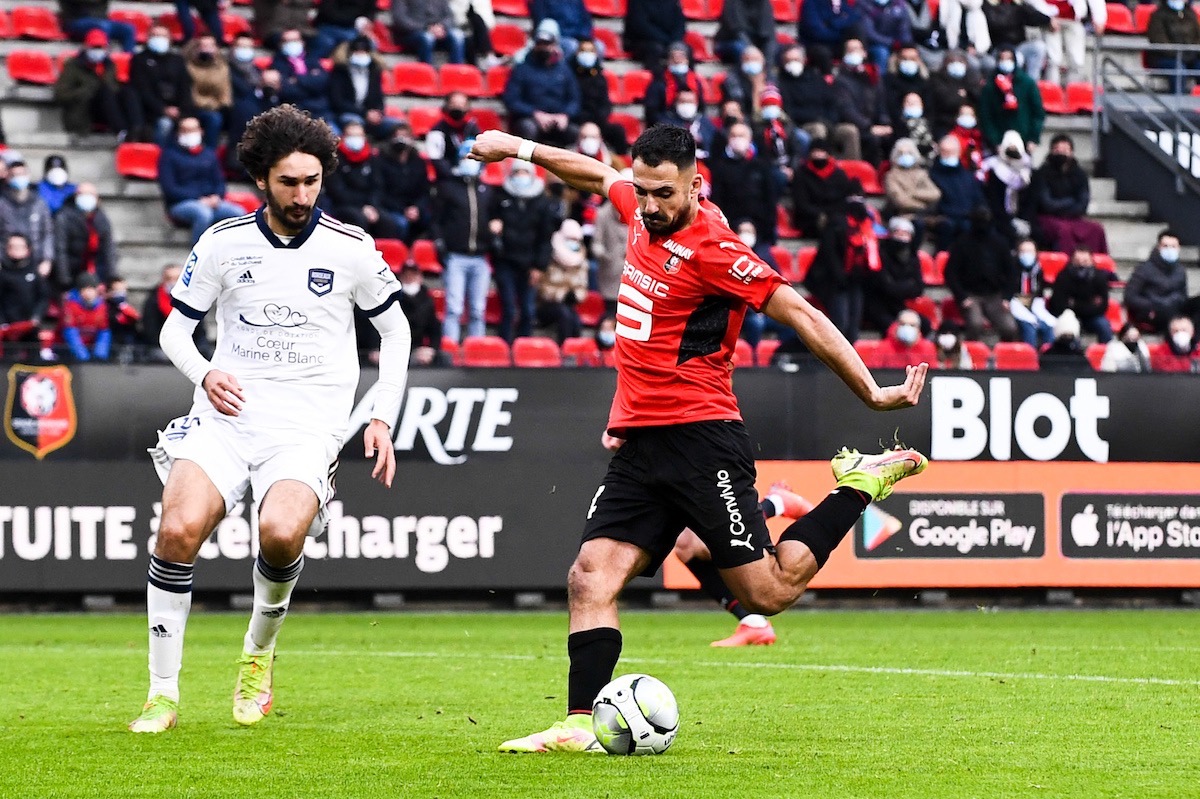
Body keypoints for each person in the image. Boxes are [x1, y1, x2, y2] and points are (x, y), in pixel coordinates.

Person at [467, 124, 928, 754]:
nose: (649, 204)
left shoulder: (716, 248)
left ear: (694, 183)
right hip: (640, 445)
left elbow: (803, 315)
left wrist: (872, 393)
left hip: (703, 438)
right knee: (589, 577)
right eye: (644, 191)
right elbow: (596, 175)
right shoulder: (637, 203)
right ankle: (578, 725)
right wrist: (517, 149)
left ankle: (857, 486)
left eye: (663, 193)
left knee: (765, 591)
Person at [127, 104, 412, 734]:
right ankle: (161, 694)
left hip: (306, 428)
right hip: (227, 418)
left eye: (312, 181)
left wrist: (382, 416)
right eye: (290, 181)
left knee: (280, 533)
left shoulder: (352, 249)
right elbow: (175, 330)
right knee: (177, 529)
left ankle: (258, 655)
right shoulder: (224, 243)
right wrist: (204, 372)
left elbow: (396, 331)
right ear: (263, 179)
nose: (303, 194)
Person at [672, 482, 816, 647]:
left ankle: (775, 503)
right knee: (687, 544)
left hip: (697, 463)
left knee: (705, 540)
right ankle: (753, 623)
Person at [431, 141, 500, 343]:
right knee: (454, 308)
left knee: (478, 309)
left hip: (480, 257)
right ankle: (450, 349)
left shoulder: (488, 191)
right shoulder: (447, 188)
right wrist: (439, 242)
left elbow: (494, 217)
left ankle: (476, 349)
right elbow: (437, 220)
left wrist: (494, 234)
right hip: (456, 256)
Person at [493, 160, 559, 342]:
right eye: (517, 172)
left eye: (524, 172)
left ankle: (524, 346)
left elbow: (545, 237)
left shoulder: (542, 202)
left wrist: (539, 266)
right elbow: (489, 220)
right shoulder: (500, 196)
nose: (521, 176)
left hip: (530, 264)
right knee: (508, 308)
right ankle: (504, 347)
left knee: (528, 310)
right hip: (505, 260)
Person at [804, 193, 882, 342]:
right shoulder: (837, 224)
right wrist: (840, 276)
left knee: (853, 326)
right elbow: (828, 253)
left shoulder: (867, 228)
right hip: (835, 282)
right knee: (841, 324)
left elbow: (872, 258)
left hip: (856, 282)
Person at [158, 117, 246, 245]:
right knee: (203, 213)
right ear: (178, 133)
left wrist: (216, 197)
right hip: (181, 203)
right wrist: (199, 199)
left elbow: (219, 182)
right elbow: (169, 188)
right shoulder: (168, 156)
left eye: (193, 130)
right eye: (185, 130)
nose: (190, 134)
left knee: (238, 213)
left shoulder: (209, 154)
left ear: (201, 131)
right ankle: (198, 256)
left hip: (211, 201)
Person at [944, 206, 1021, 341]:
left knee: (1009, 327)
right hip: (970, 294)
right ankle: (972, 358)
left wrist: (1007, 297)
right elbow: (950, 273)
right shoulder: (962, 243)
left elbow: (1011, 273)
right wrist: (962, 297)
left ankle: (1005, 358)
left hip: (995, 295)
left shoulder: (1000, 243)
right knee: (975, 324)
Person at [52, 29, 142, 139]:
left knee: (128, 92)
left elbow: (114, 89)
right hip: (84, 110)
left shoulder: (109, 65)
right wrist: (86, 90)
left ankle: (137, 129)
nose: (98, 51)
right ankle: (121, 131)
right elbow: (60, 95)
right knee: (104, 92)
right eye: (95, 47)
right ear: (86, 47)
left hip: (106, 109)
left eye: (101, 47)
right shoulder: (73, 66)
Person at [322, 123, 405, 240]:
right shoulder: (336, 160)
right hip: (344, 205)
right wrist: (362, 207)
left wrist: (371, 205)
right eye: (351, 135)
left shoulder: (372, 158)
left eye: (358, 135)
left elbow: (377, 186)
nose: (355, 139)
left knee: (389, 223)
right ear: (343, 137)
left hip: (369, 205)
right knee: (358, 221)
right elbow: (337, 191)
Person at [503, 28, 581, 147]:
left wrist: (565, 115)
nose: (544, 48)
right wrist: (535, 114)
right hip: (531, 118)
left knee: (576, 132)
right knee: (528, 128)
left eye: (547, 44)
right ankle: (525, 164)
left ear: (554, 46)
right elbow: (511, 100)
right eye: (540, 44)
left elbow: (574, 99)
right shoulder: (522, 69)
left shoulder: (564, 70)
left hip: (558, 119)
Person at [779, 45, 860, 160]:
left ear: (803, 60)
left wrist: (830, 120)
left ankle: (852, 168)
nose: (792, 63)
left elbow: (831, 102)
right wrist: (815, 117)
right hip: (803, 125)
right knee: (818, 129)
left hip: (827, 122)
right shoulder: (782, 83)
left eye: (796, 60)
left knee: (850, 131)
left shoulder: (815, 77)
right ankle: (821, 167)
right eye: (788, 61)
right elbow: (789, 111)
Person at [1031, 134, 1108, 254]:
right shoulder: (1042, 174)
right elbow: (1047, 204)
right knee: (1063, 231)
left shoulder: (1079, 174)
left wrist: (1069, 209)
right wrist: (1070, 201)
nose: (1062, 154)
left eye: (1065, 150)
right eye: (1058, 150)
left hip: (1073, 217)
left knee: (1096, 229)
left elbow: (1082, 203)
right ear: (1051, 152)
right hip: (1047, 218)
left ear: (1072, 153)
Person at [709, 122, 779, 247]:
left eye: (741, 136)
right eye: (733, 136)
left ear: (749, 139)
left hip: (760, 231)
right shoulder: (720, 168)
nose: (737, 140)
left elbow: (769, 201)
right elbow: (717, 202)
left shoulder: (762, 166)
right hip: (729, 231)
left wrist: (756, 226)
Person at [130, 24, 195, 146]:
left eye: (163, 36)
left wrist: (183, 111)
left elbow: (185, 87)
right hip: (152, 110)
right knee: (165, 123)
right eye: (155, 35)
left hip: (178, 108)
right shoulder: (139, 59)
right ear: (148, 38)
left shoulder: (178, 60)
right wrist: (163, 109)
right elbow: (142, 90)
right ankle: (160, 155)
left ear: (170, 39)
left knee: (206, 119)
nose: (159, 39)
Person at [833, 39, 894, 165]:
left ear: (864, 53)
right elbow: (846, 110)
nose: (854, 53)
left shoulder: (873, 77)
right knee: (872, 140)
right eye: (850, 50)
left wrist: (885, 123)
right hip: (857, 126)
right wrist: (869, 127)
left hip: (875, 125)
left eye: (857, 49)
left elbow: (881, 104)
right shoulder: (840, 80)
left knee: (895, 136)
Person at [864, 216, 926, 333]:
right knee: (892, 327)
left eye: (905, 234)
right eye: (898, 233)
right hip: (876, 305)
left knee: (924, 325)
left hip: (898, 305)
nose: (902, 238)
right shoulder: (880, 254)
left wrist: (896, 285)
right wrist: (907, 285)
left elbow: (918, 287)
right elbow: (885, 286)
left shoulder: (912, 258)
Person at [227, 33, 281, 168]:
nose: (245, 50)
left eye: (248, 47)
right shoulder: (227, 69)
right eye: (241, 46)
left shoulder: (256, 70)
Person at [978, 44, 1045, 150]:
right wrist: (995, 141)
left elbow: (1038, 113)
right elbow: (986, 115)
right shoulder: (990, 86)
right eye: (1002, 59)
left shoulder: (1027, 83)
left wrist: (1033, 138)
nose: (1005, 62)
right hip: (998, 143)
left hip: (1024, 141)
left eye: (1009, 59)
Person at [141, 264, 212, 362]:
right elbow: (150, 328)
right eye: (169, 278)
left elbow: (200, 328)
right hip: (162, 345)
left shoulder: (192, 297)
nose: (173, 282)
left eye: (177, 278)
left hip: (189, 343)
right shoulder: (154, 299)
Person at [53, 182, 116, 291]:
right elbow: (60, 250)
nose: (86, 198)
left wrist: (110, 278)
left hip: (95, 272)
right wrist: (64, 280)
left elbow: (108, 249)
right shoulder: (63, 217)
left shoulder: (101, 219)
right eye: (82, 194)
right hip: (72, 273)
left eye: (90, 194)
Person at [0, 161, 55, 283]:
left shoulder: (39, 203)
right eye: (14, 175)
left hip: (36, 263)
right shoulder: (2, 204)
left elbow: (48, 233)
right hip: (7, 265)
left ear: (28, 175)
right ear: (8, 178)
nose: (19, 177)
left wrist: (47, 260)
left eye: (22, 174)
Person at [377, 122, 433, 243]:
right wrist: (403, 210)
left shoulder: (418, 162)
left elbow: (424, 191)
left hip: (414, 207)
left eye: (405, 136)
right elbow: (380, 192)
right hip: (392, 208)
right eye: (398, 136)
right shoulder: (382, 161)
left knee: (433, 221)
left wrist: (417, 208)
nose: (401, 140)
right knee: (400, 224)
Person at [327, 37, 391, 141]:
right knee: (356, 123)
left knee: (397, 127)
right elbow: (337, 101)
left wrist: (378, 113)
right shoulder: (340, 72)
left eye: (363, 51)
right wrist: (365, 113)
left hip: (371, 116)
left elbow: (379, 98)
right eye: (357, 51)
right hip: (346, 114)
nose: (361, 54)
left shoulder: (374, 72)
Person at [271, 29, 337, 131]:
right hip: (295, 113)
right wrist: (310, 80)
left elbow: (323, 82)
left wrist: (296, 79)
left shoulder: (312, 59)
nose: (292, 44)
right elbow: (285, 90)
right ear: (281, 44)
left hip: (321, 112)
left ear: (302, 42)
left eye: (295, 40)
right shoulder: (277, 63)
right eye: (287, 41)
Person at [1124, 231, 1188, 334]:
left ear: (1178, 248)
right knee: (1170, 313)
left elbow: (1183, 295)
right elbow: (1130, 296)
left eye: (1173, 246)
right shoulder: (1144, 269)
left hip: (1174, 307)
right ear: (1158, 247)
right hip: (1151, 311)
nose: (1170, 249)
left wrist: (1175, 300)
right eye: (1165, 246)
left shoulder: (1180, 270)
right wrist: (1152, 305)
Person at [536, 219, 589, 343]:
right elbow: (542, 289)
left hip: (568, 306)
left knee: (575, 319)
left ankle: (574, 352)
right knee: (563, 313)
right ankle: (563, 351)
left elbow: (582, 288)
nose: (573, 242)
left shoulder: (581, 261)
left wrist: (575, 296)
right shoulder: (549, 257)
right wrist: (562, 294)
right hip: (545, 306)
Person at [928, 135, 985, 250]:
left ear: (959, 152)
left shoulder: (968, 177)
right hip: (944, 219)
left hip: (967, 218)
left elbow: (979, 201)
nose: (948, 155)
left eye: (952, 152)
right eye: (945, 151)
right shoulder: (931, 175)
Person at [572, 40, 628, 156]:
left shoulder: (600, 77)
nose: (587, 54)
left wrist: (597, 123)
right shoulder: (569, 76)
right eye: (583, 51)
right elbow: (570, 102)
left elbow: (605, 103)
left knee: (618, 131)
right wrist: (586, 124)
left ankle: (622, 165)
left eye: (590, 51)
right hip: (576, 121)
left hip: (598, 121)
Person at [791, 140, 857, 237]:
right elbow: (801, 204)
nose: (818, 155)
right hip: (810, 219)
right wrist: (820, 214)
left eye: (821, 152)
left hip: (835, 216)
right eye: (815, 152)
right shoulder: (801, 174)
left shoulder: (839, 174)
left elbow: (844, 200)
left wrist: (830, 214)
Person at [1047, 247, 1114, 342]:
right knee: (1069, 326)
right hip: (1069, 315)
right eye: (1078, 261)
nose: (1081, 264)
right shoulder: (1063, 276)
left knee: (1104, 325)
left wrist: (1075, 304)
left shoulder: (1099, 278)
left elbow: (1102, 306)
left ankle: (1107, 353)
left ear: (1091, 261)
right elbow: (1058, 304)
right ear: (1072, 261)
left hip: (1092, 317)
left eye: (1085, 261)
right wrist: (1089, 305)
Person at [884, 138, 940, 245]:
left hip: (924, 215)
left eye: (908, 153)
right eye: (901, 153)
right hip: (902, 215)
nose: (905, 156)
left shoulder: (921, 174)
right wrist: (924, 203)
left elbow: (935, 194)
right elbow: (901, 202)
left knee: (946, 224)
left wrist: (912, 193)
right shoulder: (891, 176)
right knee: (918, 224)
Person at [981, 129, 1033, 243]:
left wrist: (1023, 219)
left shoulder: (1028, 171)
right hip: (999, 216)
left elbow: (1031, 200)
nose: (1012, 151)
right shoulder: (993, 169)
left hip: (1022, 216)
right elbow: (993, 199)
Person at [983, 0, 1053, 82]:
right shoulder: (989, 5)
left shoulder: (1017, 5)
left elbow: (1033, 16)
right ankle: (1012, 85)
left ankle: (1031, 83)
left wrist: (1049, 20)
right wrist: (1018, 11)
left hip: (1018, 45)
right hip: (998, 48)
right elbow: (998, 24)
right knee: (1017, 58)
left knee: (1039, 47)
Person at [183, 34, 232, 148]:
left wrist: (222, 104)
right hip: (194, 107)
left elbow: (225, 91)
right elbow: (189, 92)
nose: (207, 49)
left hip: (216, 106)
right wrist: (207, 104)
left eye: (210, 46)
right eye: (203, 46)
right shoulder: (187, 67)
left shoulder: (222, 67)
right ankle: (210, 153)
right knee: (213, 119)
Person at [643, 42, 706, 128]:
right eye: (673, 57)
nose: (677, 60)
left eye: (681, 57)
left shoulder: (696, 81)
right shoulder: (659, 82)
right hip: (666, 124)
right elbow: (652, 112)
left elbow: (701, 108)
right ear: (668, 60)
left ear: (687, 59)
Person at [1043, 0, 1106, 85]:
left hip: (1074, 19)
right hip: (1049, 18)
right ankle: (1051, 92)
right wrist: (1046, 18)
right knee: (1053, 61)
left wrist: (1099, 19)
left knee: (1077, 61)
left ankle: (1074, 92)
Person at [1009, 237, 1057, 348]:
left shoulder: (1038, 270)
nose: (1027, 255)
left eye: (1030, 251)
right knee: (1030, 327)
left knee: (1049, 326)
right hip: (1015, 304)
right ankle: (1030, 360)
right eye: (1023, 251)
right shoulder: (1012, 270)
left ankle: (1049, 357)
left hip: (1034, 305)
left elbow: (1039, 293)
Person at [0, 234, 51, 337]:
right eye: (12, 247)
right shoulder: (3, 273)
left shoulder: (35, 271)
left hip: (31, 326)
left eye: (19, 246)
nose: (15, 250)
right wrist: (2, 322)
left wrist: (37, 316)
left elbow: (43, 297)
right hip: (8, 329)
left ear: (27, 249)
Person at [1147, 0, 1200, 94]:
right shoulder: (1158, 15)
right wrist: (1180, 54)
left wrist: (1190, 53)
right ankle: (1178, 105)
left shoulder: (1190, 14)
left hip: (1189, 56)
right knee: (1179, 70)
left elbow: (1197, 37)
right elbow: (1159, 40)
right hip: (1165, 57)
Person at [590, 185, 628, 317]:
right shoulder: (603, 214)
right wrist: (603, 254)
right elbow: (596, 242)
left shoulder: (637, 212)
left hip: (631, 273)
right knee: (611, 312)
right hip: (610, 270)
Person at [426, 92, 483, 179]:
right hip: (447, 178)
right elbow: (436, 158)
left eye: (462, 104)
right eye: (454, 104)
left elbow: (483, 151)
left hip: (473, 176)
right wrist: (453, 173)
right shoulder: (437, 131)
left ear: (468, 107)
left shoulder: (472, 127)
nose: (458, 107)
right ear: (447, 106)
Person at [392, 0, 467, 64]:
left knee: (458, 35)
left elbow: (449, 17)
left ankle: (456, 73)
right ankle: (427, 74)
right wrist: (426, 28)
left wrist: (442, 26)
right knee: (427, 37)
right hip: (412, 34)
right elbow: (400, 20)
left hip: (438, 31)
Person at [927, 50, 982, 137]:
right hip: (945, 124)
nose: (956, 64)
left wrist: (964, 93)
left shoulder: (971, 78)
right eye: (952, 61)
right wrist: (965, 95)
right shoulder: (937, 79)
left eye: (960, 61)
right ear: (945, 64)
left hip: (972, 124)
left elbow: (977, 97)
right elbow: (948, 102)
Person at [60, 272, 111, 362]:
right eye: (85, 289)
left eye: (92, 289)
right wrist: (82, 356)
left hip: (92, 348)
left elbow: (104, 331)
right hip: (71, 353)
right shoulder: (70, 306)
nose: (89, 293)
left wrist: (100, 354)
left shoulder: (102, 307)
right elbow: (70, 332)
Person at [623, 0, 686, 69]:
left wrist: (674, 42)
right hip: (642, 41)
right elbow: (640, 25)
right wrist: (666, 41)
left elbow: (680, 23)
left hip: (668, 40)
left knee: (684, 49)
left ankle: (687, 78)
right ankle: (656, 78)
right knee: (656, 49)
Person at [58, 0, 138, 54]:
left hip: (101, 21)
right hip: (75, 20)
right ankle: (105, 60)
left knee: (128, 29)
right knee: (102, 26)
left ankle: (130, 62)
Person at [659, 89, 719, 159]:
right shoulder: (666, 123)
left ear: (697, 103)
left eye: (690, 101)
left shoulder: (704, 122)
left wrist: (700, 140)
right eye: (683, 101)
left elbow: (714, 145)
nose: (686, 105)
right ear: (676, 103)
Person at [714, 0, 777, 66]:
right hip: (728, 40)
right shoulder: (732, 2)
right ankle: (741, 75)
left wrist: (767, 65)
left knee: (776, 49)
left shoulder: (764, 3)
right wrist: (752, 49)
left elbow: (769, 33)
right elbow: (737, 30)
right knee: (743, 49)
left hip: (755, 43)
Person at [530, 0, 595, 62]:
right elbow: (543, 23)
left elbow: (586, 19)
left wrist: (584, 38)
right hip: (558, 37)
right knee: (572, 45)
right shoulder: (542, 1)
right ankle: (565, 71)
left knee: (599, 46)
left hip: (579, 36)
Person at [311, 0, 376, 58]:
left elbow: (370, 11)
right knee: (325, 43)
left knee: (370, 44)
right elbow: (326, 10)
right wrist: (353, 20)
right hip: (328, 25)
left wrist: (366, 22)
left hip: (353, 28)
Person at [862, 0, 914, 70]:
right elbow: (870, 33)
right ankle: (880, 78)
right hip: (873, 44)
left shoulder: (899, 5)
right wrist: (891, 42)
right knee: (882, 52)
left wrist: (905, 44)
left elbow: (904, 28)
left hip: (896, 42)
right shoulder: (866, 5)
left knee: (911, 52)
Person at [799, 0, 864, 54]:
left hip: (837, 42)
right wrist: (841, 31)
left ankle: (858, 65)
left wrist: (834, 23)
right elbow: (816, 31)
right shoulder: (811, 2)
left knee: (856, 30)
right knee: (822, 52)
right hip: (817, 43)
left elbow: (855, 17)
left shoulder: (840, 2)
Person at [105, 275, 142, 357]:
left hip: (130, 336)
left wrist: (125, 308)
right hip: (113, 336)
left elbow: (137, 318)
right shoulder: (106, 305)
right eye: (117, 290)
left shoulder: (130, 302)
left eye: (122, 290)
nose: (120, 293)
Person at [949, 103, 985, 172]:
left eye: (970, 115)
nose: (967, 117)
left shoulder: (978, 136)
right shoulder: (952, 138)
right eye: (964, 115)